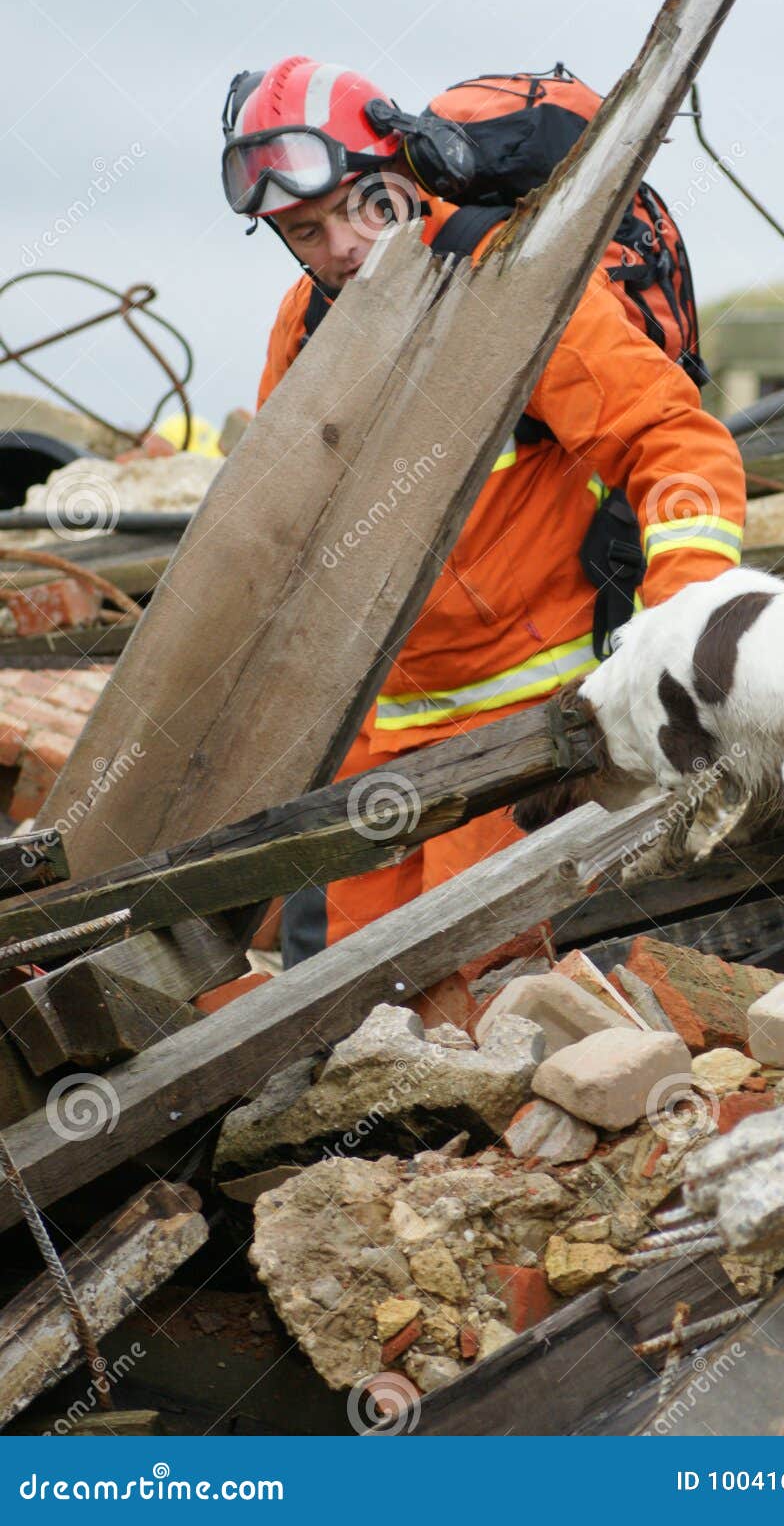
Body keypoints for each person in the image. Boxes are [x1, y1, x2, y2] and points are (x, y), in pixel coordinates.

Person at [222, 55, 747, 976]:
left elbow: (675, 445)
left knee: (480, 994)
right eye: (304, 230)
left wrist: (684, 622)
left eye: (360, 206)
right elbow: (281, 515)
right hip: (377, 734)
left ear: (404, 177)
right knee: (341, 1005)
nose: (339, 246)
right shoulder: (305, 320)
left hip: (523, 730)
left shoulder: (517, 285)